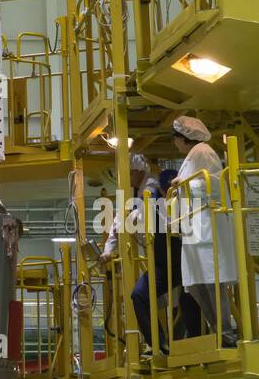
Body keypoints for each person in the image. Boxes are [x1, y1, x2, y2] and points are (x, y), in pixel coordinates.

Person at [102, 153, 200, 350]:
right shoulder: (133, 192)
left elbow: (141, 208)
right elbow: (119, 222)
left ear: (139, 171)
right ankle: (158, 343)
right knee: (139, 295)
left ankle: (196, 341)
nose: (128, 178)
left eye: (130, 173)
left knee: (190, 296)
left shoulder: (152, 186)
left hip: (181, 254)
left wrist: (133, 217)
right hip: (161, 260)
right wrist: (107, 251)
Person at [171, 116, 238, 347]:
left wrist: (184, 184)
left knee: (211, 282)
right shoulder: (194, 154)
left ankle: (226, 334)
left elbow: (215, 184)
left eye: (175, 139)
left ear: (183, 137)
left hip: (207, 227)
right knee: (197, 285)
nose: (175, 144)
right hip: (195, 227)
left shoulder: (204, 152)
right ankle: (219, 332)